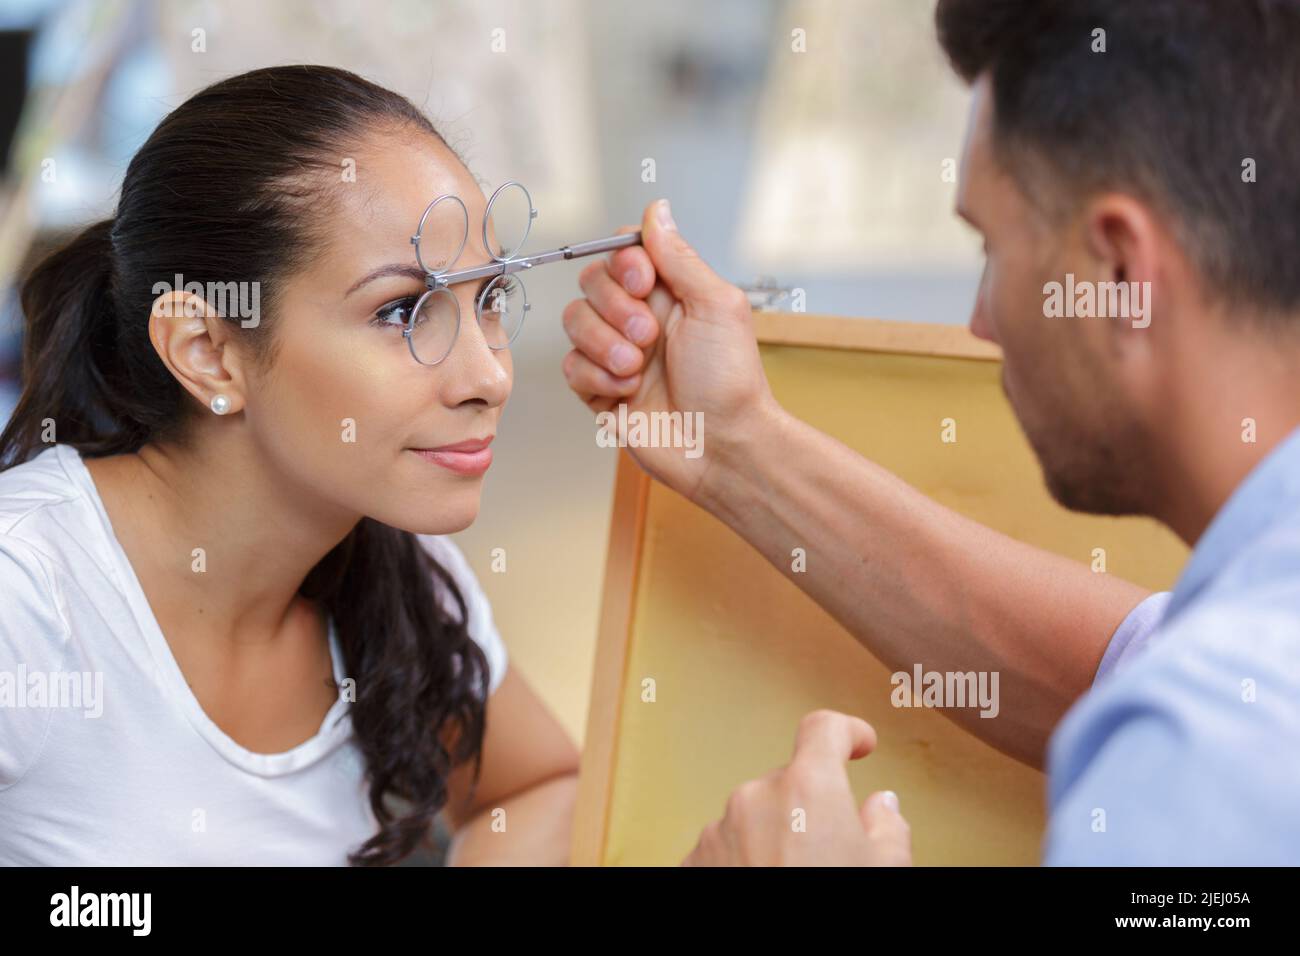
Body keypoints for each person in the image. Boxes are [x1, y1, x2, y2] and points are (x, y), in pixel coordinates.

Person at [561, 0, 1300, 865]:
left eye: (991, 248)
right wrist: (732, 447)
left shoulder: (1206, 754)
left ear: (1121, 271)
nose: (982, 322)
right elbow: (1132, 660)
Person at [0, 65, 578, 866]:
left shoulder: (405, 575)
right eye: (402, 311)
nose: (489, 377)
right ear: (208, 352)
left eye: (488, 299)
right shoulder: (24, 598)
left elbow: (539, 786)